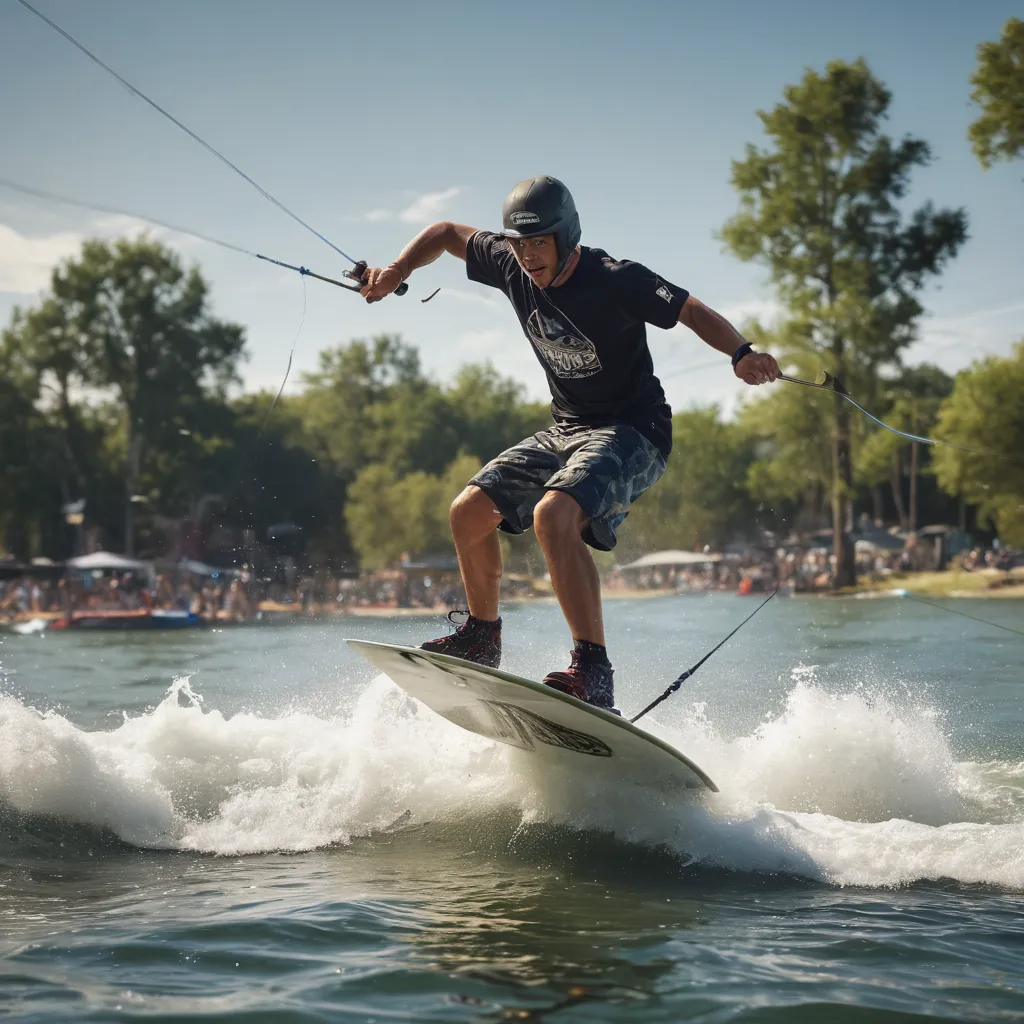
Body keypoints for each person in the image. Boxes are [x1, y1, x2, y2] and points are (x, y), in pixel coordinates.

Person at [361, 175, 779, 712]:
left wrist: (741, 352)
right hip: (567, 429)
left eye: (540, 243)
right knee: (468, 512)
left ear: (567, 237)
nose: (529, 257)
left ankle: (593, 671)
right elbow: (444, 232)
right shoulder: (511, 262)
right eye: (520, 244)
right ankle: (482, 638)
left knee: (552, 515)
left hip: (636, 431)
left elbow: (690, 309)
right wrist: (397, 270)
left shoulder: (616, 278)